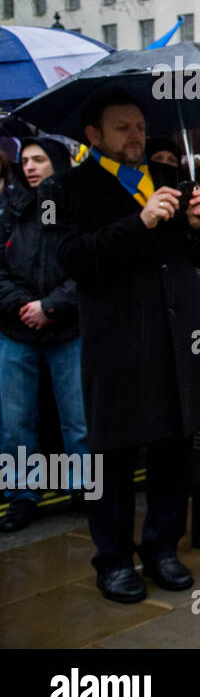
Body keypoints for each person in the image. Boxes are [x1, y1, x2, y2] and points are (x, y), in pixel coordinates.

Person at [45, 89, 200, 603]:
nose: (136, 135)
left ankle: (162, 547)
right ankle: (112, 559)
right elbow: (74, 259)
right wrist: (142, 221)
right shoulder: (69, 188)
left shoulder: (171, 176)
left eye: (140, 126)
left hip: (180, 338)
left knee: (175, 447)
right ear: (94, 135)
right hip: (120, 343)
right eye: (123, 127)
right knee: (114, 457)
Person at [0, 138, 89, 531]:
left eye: (40, 160)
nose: (31, 167)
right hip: (16, 329)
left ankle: (83, 486)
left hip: (67, 327)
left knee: (79, 418)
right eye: (25, 161)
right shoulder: (10, 211)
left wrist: (50, 306)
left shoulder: (75, 209)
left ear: (58, 163)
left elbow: (86, 267)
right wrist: (23, 304)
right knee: (15, 422)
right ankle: (21, 493)